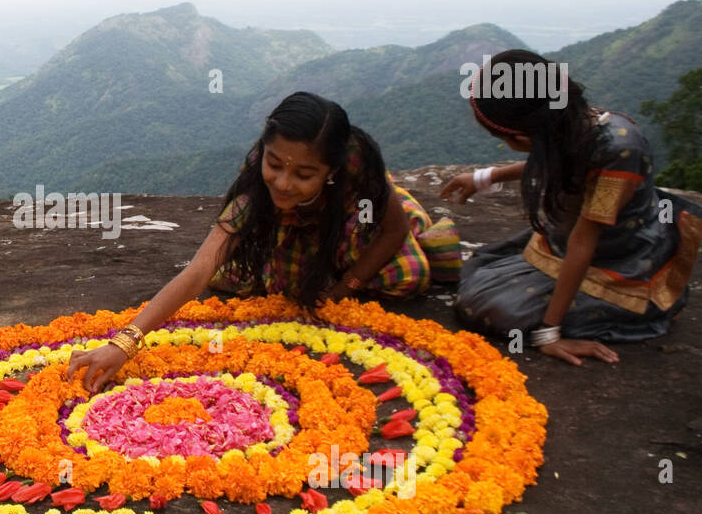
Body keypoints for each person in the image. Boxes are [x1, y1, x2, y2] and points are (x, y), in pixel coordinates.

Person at [67, 92, 461, 392]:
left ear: (331, 170)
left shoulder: (359, 167)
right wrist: (125, 342)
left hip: (351, 224)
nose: (284, 183)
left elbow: (392, 231)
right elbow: (200, 269)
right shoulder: (258, 183)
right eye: (275, 165)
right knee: (240, 278)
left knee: (408, 273)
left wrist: (344, 289)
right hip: (286, 231)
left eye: (304, 174)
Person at [444, 49, 702, 366]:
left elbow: (584, 241)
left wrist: (549, 333)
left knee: (492, 309)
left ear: (521, 136)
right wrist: (485, 177)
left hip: (616, 259)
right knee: (478, 270)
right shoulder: (568, 120)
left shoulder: (620, 151)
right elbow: (556, 159)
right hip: (564, 241)